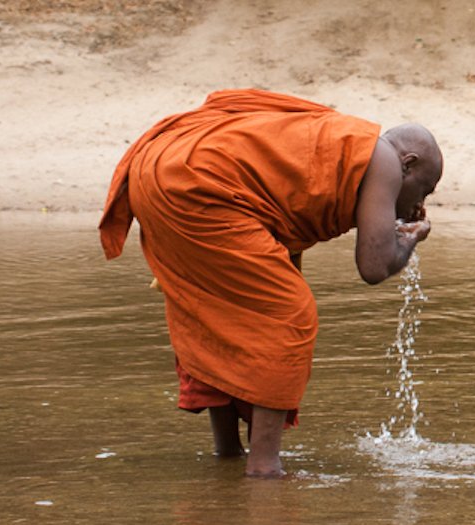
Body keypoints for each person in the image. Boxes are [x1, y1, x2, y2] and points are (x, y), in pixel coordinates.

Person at [99, 88, 440, 478]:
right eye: (424, 191)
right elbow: (374, 267)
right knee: (288, 314)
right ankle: (264, 468)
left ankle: (228, 452)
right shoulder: (384, 161)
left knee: (223, 313)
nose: (417, 206)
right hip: (196, 185)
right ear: (407, 165)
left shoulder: (348, 143)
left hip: (159, 167)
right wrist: (412, 236)